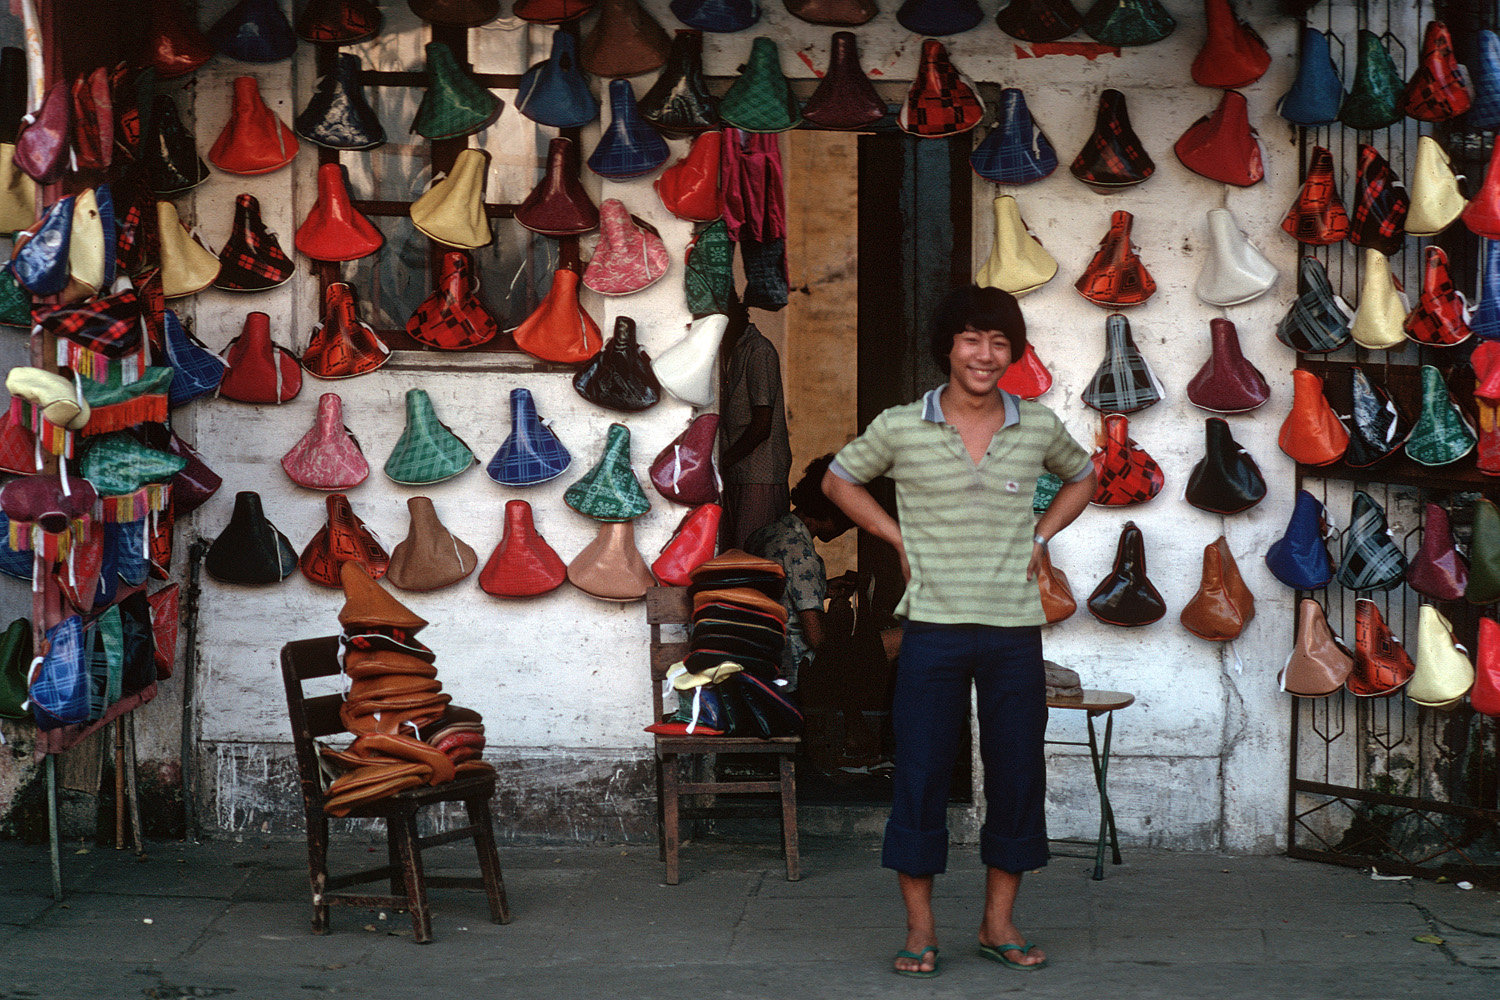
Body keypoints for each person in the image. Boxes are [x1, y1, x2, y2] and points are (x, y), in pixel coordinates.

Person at [821, 284, 1096, 978]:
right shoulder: (900, 425)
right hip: (932, 631)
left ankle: (997, 923)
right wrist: (893, 536)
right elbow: (838, 480)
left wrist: (1042, 533)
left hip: (1012, 633)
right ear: (948, 346)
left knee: (1016, 772)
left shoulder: (1033, 425)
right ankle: (921, 932)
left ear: (1013, 352)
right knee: (917, 773)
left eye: (999, 342)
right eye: (972, 339)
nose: (985, 354)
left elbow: (1083, 476)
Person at [718, 298, 792, 550]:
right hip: (739, 473)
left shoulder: (759, 351)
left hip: (760, 475)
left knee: (753, 558)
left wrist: (724, 460)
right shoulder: (731, 351)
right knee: (736, 553)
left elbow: (762, 425)